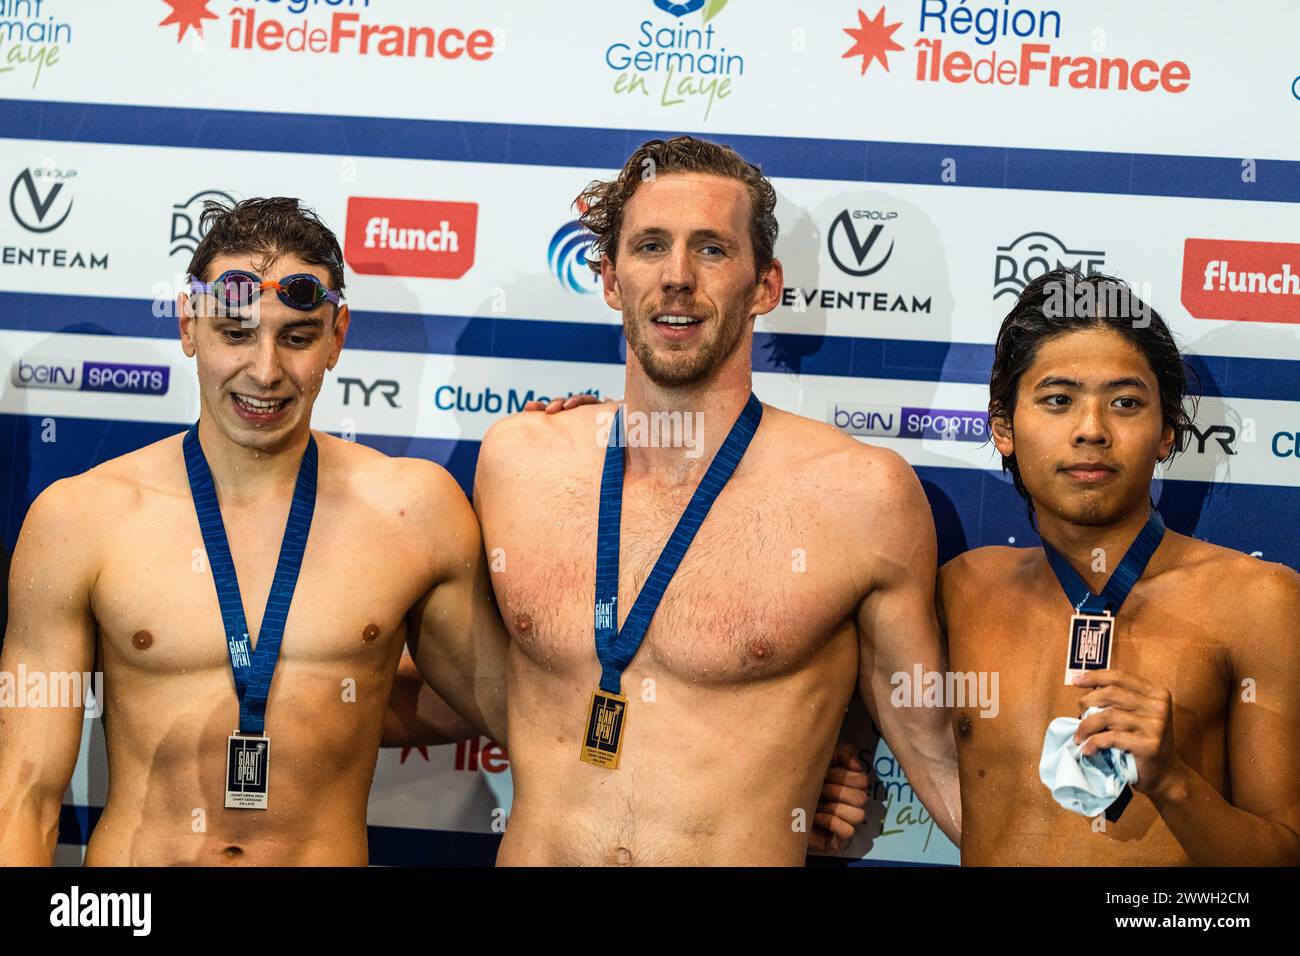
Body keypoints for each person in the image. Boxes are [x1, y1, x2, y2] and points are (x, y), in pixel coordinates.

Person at [0, 196, 864, 865]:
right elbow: (25, 792)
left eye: (297, 337)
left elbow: (530, 707)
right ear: (189, 327)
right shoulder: (81, 519)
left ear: (337, 337)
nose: (264, 371)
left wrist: (779, 767)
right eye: (235, 334)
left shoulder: (412, 514)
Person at [469, 136, 960, 865]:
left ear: (765, 285)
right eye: (650, 247)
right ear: (610, 280)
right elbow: (444, 679)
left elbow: (936, 756)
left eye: (711, 249)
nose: (677, 277)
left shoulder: (863, 496)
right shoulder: (519, 461)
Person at [939, 269, 1300, 865]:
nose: (1092, 430)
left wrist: (1173, 781)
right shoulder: (961, 590)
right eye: (1058, 400)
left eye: (1125, 403)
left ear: (1167, 432)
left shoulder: (1259, 602)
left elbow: (1285, 853)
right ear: (1003, 428)